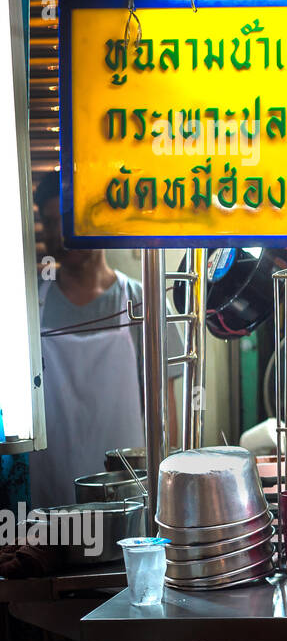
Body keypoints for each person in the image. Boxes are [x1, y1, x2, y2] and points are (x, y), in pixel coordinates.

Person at [30, 173, 182, 509]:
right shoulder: (31, 309)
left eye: (68, 221)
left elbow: (166, 418)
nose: (60, 234)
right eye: (49, 222)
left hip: (130, 500)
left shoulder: (144, 303)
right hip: (53, 506)